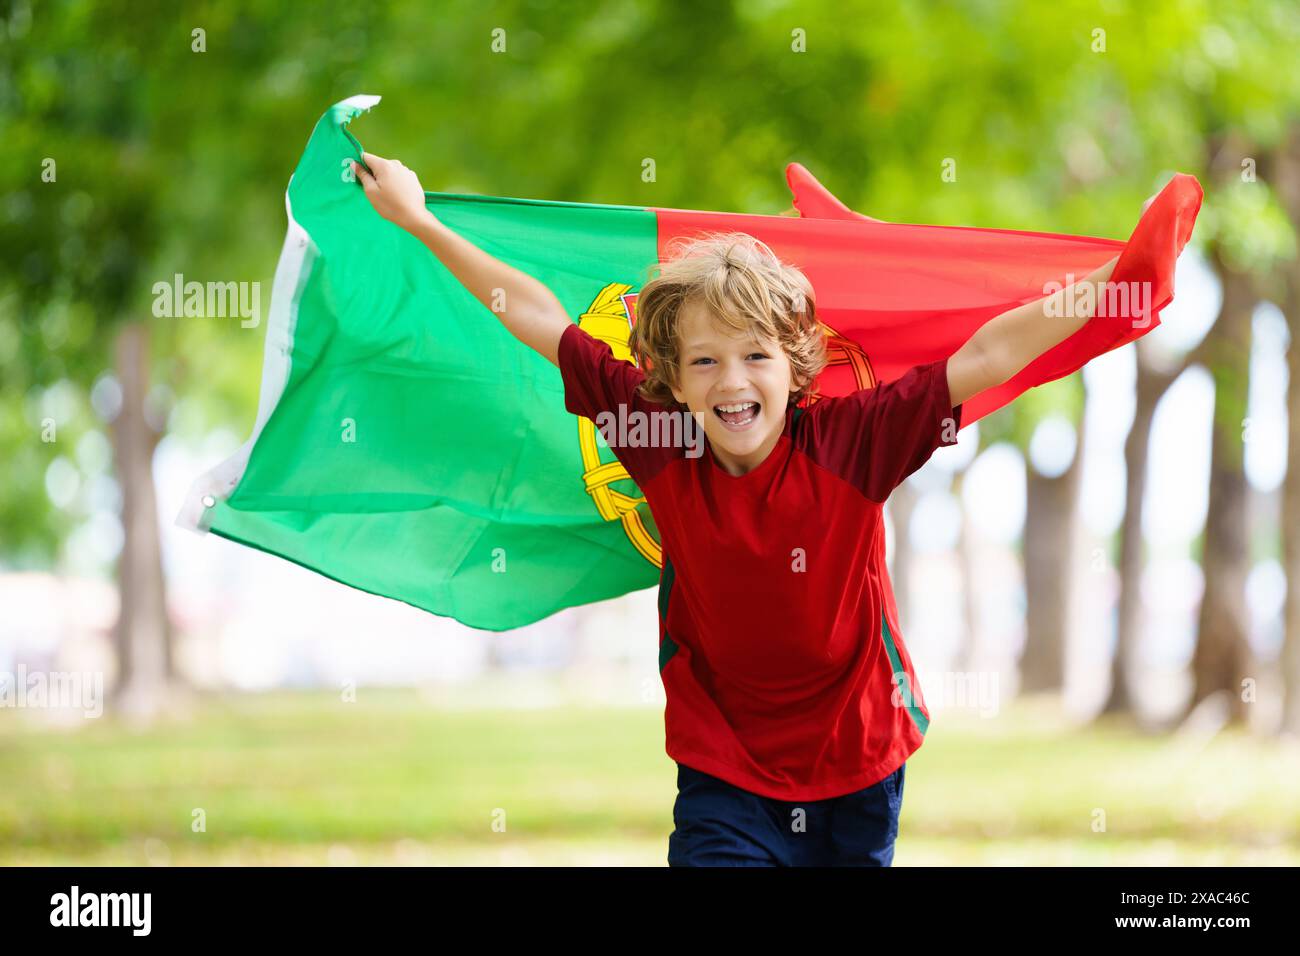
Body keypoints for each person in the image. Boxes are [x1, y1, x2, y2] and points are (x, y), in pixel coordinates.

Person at [351, 151, 1121, 866]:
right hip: (727, 767)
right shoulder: (656, 442)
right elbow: (539, 318)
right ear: (671, 381)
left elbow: (985, 357)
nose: (733, 381)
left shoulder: (854, 442)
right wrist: (419, 219)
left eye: (756, 355)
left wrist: (1120, 278)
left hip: (858, 757)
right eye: (705, 361)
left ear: (796, 365)